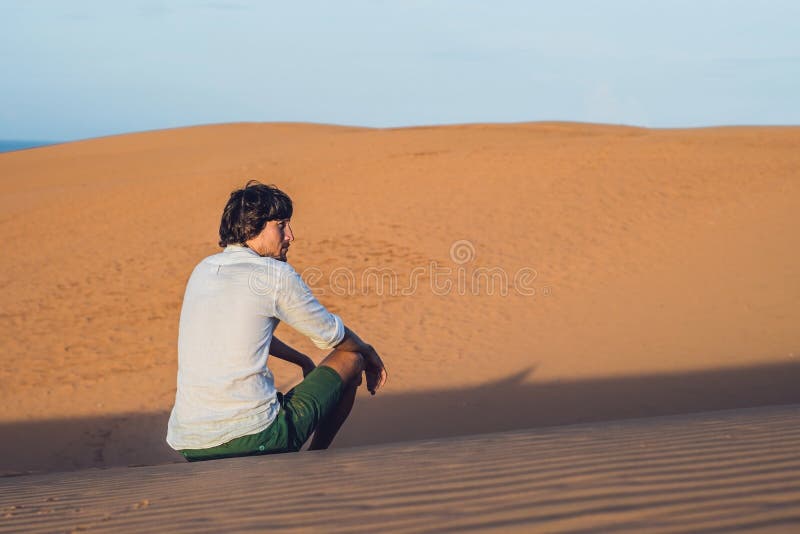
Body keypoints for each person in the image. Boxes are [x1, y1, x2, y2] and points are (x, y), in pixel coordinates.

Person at [166, 181, 387, 461]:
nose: (291, 236)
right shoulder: (274, 274)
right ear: (251, 227)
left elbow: (245, 333)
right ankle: (314, 461)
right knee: (352, 359)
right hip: (256, 435)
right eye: (281, 225)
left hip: (190, 442)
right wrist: (367, 351)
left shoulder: (204, 270)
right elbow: (332, 335)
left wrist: (302, 360)